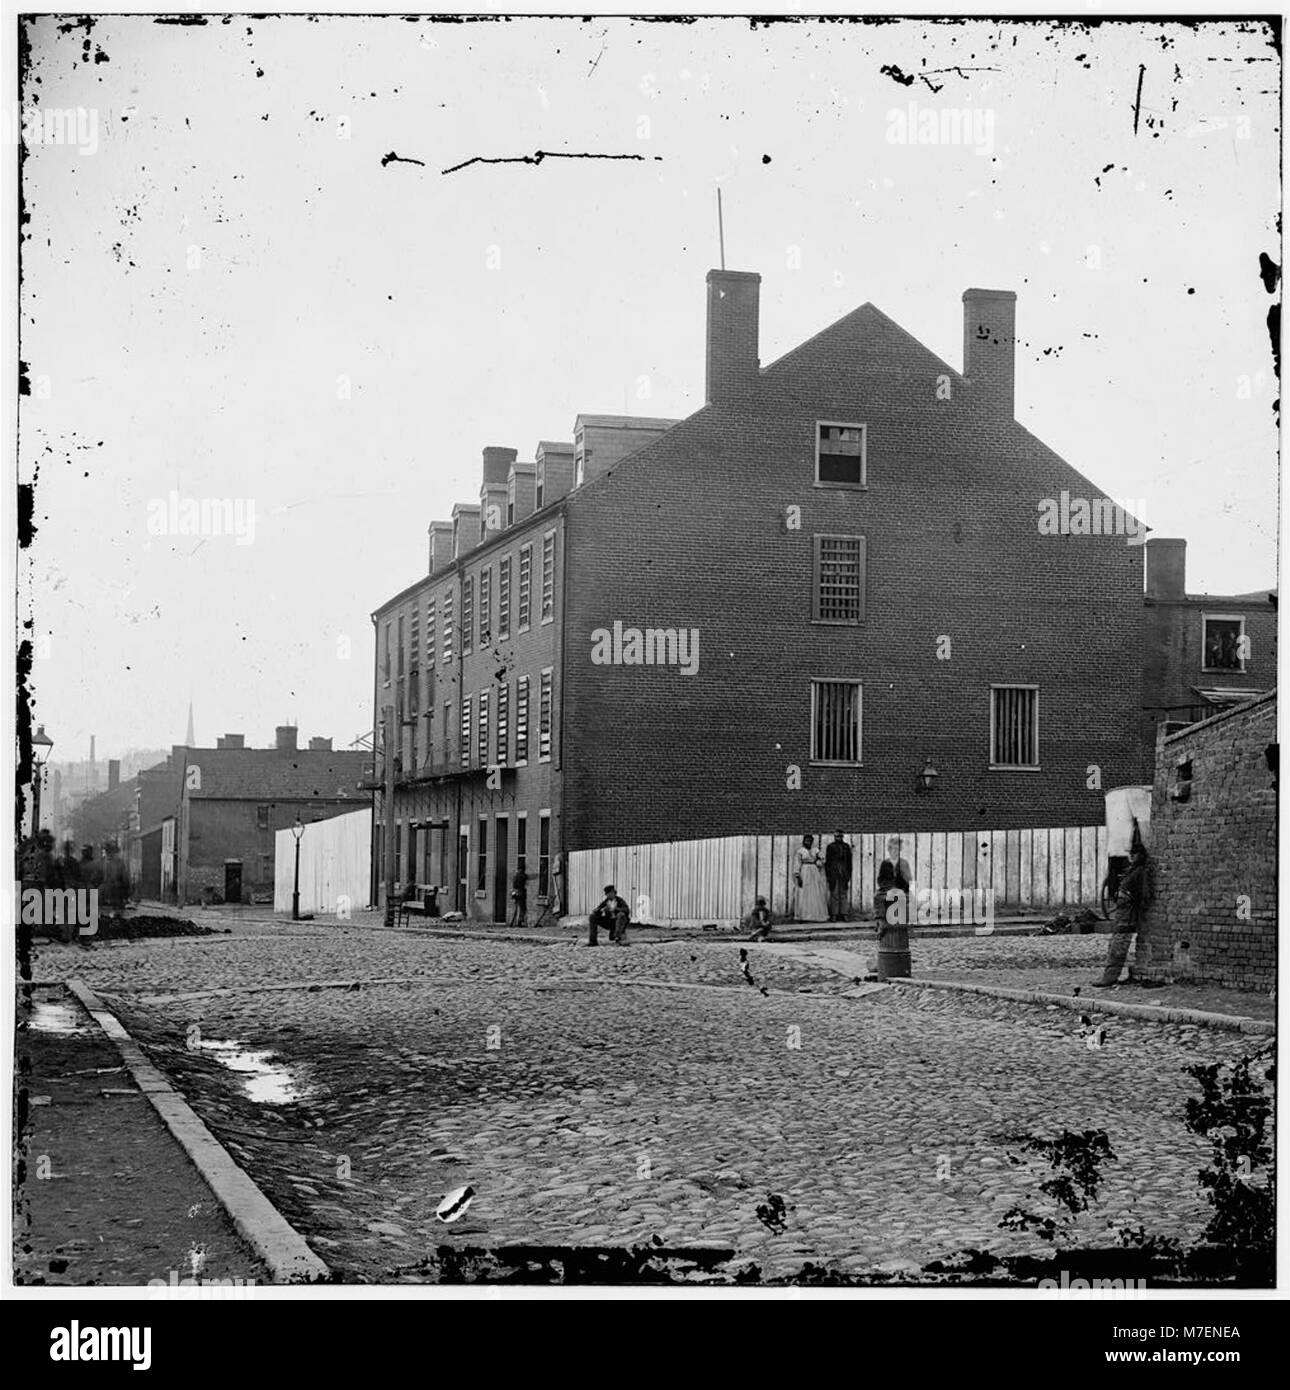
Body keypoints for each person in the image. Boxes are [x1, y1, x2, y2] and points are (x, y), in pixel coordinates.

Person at [1092, 844, 1151, 986]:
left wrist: (1133, 903)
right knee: (1114, 945)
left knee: (1118, 947)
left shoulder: (1140, 872)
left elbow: (1145, 895)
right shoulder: (1132, 870)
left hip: (1128, 917)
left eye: (1134, 854)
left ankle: (1110, 978)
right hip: (1121, 916)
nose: (1132, 856)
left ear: (1140, 855)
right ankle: (1109, 975)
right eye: (1131, 853)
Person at [793, 834, 830, 922]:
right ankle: (804, 916)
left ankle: (815, 916)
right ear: (803, 841)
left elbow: (823, 859)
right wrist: (798, 876)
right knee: (804, 893)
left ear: (812, 842)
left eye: (810, 841)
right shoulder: (800, 851)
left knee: (815, 893)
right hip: (804, 872)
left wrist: (818, 862)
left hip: (814, 872)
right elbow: (797, 864)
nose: (808, 842)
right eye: (806, 841)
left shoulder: (815, 850)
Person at [875, 837, 912, 922]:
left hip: (901, 889)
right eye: (894, 849)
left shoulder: (903, 863)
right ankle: (880, 920)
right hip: (888, 889)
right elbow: (881, 879)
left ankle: (905, 921)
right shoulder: (885, 863)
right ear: (889, 850)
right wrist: (889, 887)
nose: (896, 852)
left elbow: (908, 879)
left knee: (906, 898)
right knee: (877, 897)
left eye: (898, 849)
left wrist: (902, 888)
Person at [824, 831, 853, 922]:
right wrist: (828, 875)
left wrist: (849, 874)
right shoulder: (830, 847)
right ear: (834, 837)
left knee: (843, 894)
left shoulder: (846, 847)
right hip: (834, 872)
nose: (838, 838)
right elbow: (828, 862)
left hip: (844, 872)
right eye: (836, 836)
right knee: (834, 893)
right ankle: (834, 914)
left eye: (840, 836)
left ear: (842, 837)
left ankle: (844, 914)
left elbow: (849, 862)